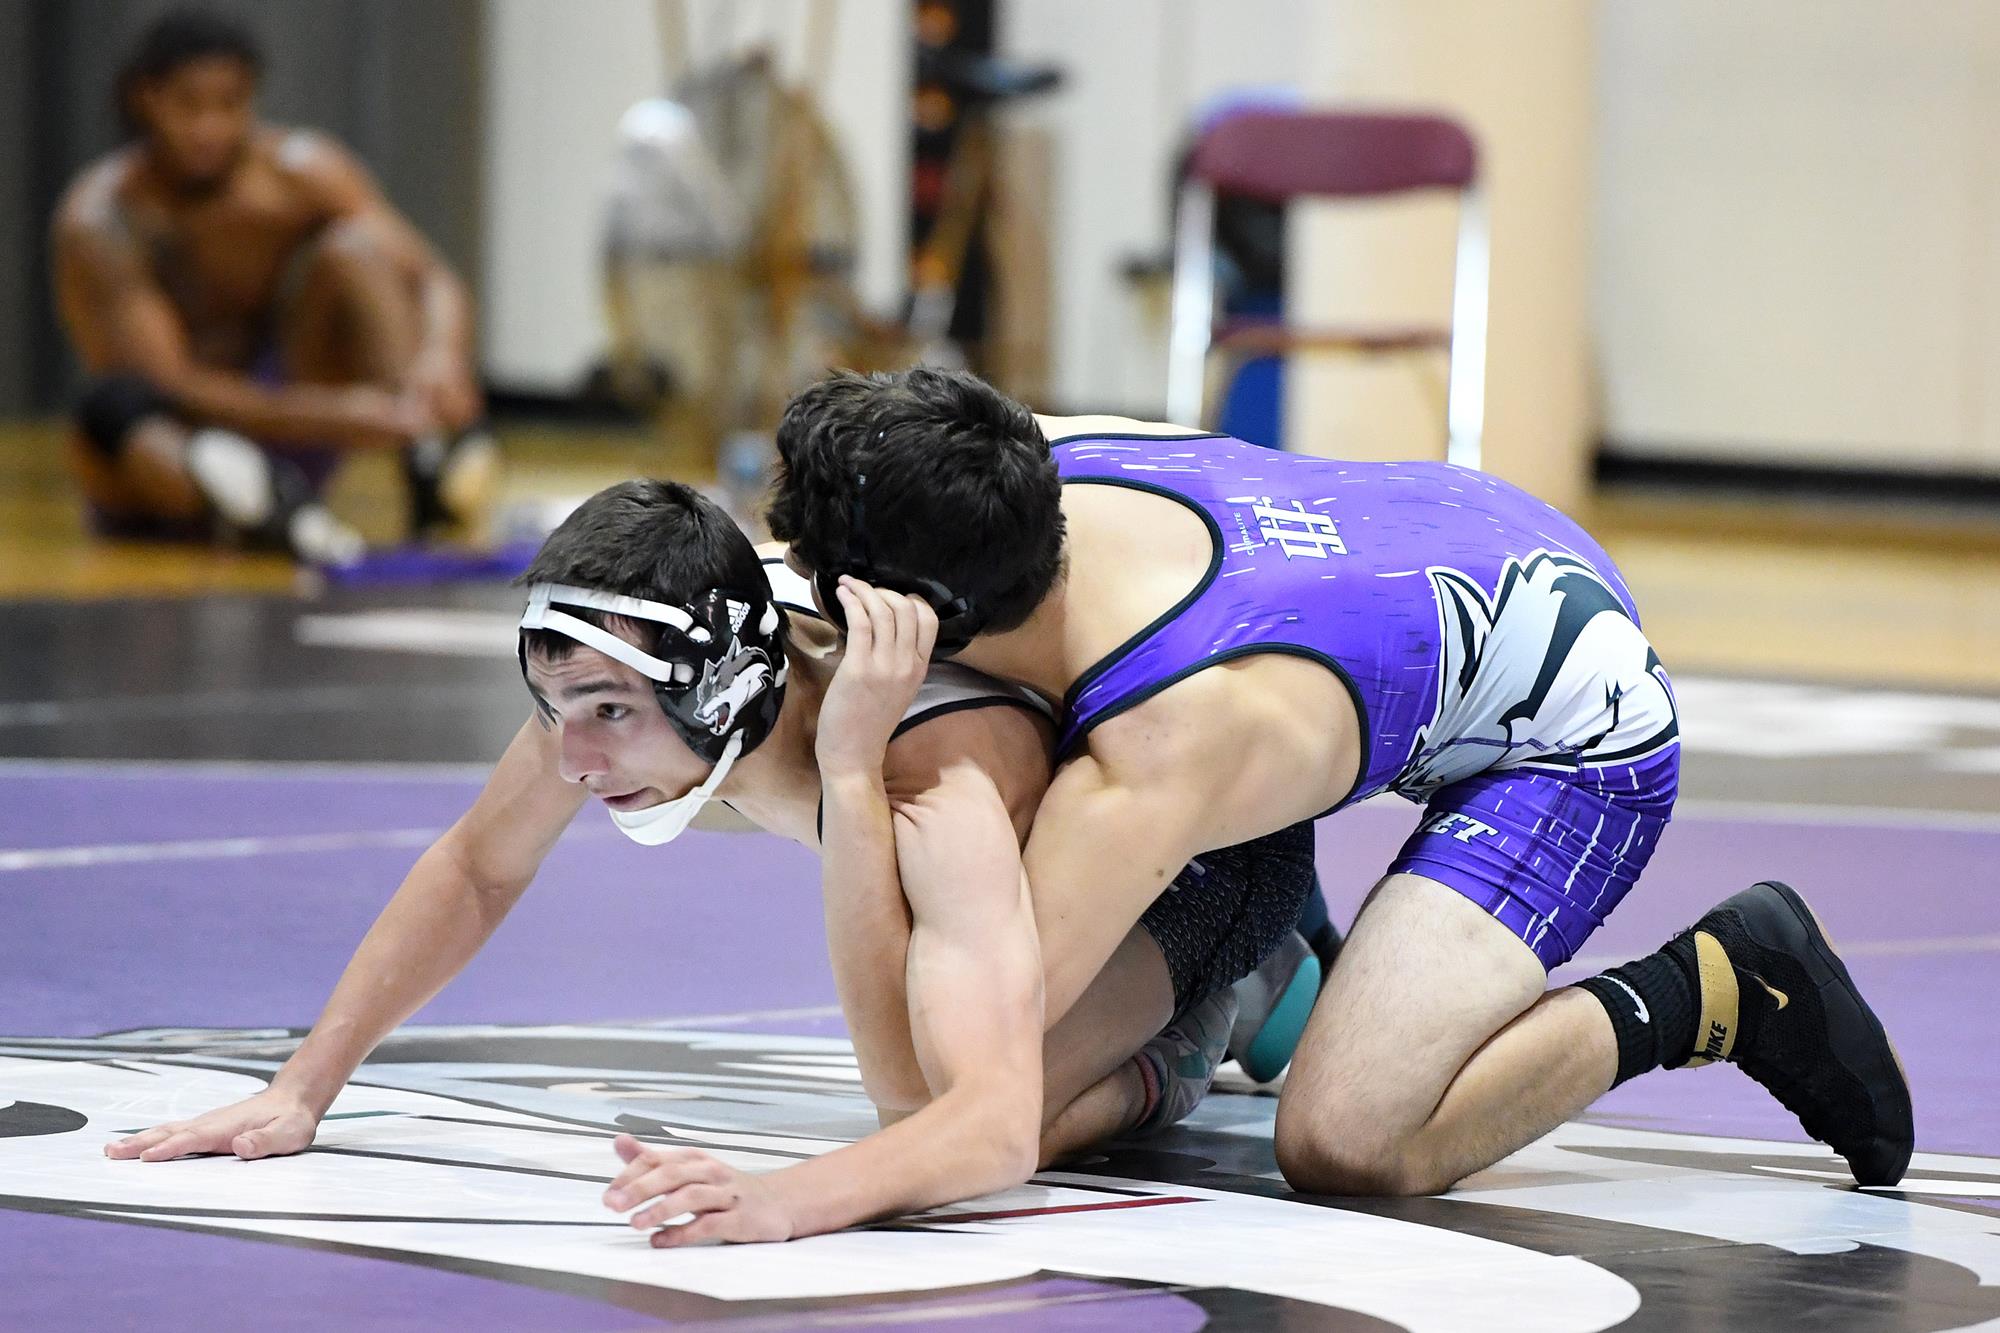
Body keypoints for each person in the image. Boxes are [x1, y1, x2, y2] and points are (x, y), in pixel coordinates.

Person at [764, 365, 1915, 1204]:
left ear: (919, 610)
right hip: (1454, 531)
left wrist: (850, 769)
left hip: (1570, 734)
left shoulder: (1154, 749)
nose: (801, 597)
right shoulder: (1022, 460)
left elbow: (931, 1084)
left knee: (1349, 1140)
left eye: (821, 583)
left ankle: (1713, 986)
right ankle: (1273, 934)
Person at [105, 479, 1326, 1244]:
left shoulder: (930, 758)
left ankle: (1222, 1006)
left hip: (1193, 870)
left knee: (963, 1113)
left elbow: (969, 1125)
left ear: (729, 680)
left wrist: (787, 1198)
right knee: (928, 1095)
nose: (573, 760)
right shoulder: (640, 673)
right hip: (1001, 890)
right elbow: (479, 867)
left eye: (604, 715)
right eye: (553, 709)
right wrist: (304, 1087)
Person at [50, 7, 492, 564]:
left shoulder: (301, 173)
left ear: (253, 98)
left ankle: (427, 457)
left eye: (229, 104)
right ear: (147, 99)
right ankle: (257, 496)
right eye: (190, 106)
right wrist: (342, 415)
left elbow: (429, 277)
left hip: (303, 416)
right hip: (176, 460)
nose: (210, 128)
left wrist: (438, 359)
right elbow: (174, 383)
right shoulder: (104, 220)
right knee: (110, 409)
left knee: (355, 252)